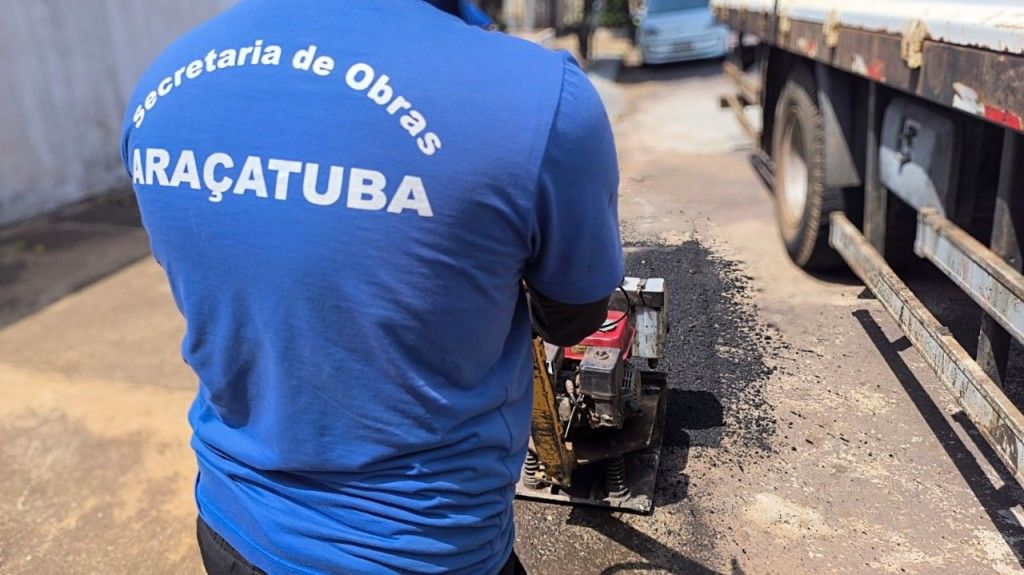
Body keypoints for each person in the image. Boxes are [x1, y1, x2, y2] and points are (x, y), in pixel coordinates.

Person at [120, 0, 623, 573]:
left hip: (232, 527)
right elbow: (574, 316)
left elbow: (232, 282)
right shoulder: (539, 97)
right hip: (418, 549)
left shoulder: (160, 84)